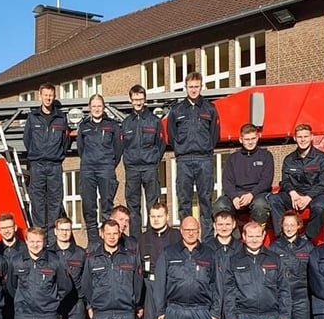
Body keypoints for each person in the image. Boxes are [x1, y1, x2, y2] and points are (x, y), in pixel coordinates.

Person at [166, 72, 220, 237]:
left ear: (201, 86)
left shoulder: (210, 108)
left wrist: (206, 148)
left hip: (204, 159)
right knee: (184, 200)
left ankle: (208, 238)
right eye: (191, 87)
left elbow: (214, 134)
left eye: (197, 86)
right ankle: (187, 236)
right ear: (186, 87)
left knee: (206, 200)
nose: (194, 90)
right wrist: (181, 149)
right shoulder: (176, 110)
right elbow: (171, 134)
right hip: (184, 160)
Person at [23, 83, 69, 243]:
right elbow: (27, 140)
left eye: (51, 95)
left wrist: (56, 155)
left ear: (54, 96)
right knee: (38, 203)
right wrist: (38, 155)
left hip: (55, 166)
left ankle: (52, 243)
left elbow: (65, 142)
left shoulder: (61, 118)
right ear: (40, 96)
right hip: (37, 166)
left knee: (55, 203)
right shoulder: (32, 117)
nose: (48, 98)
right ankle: (39, 241)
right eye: (45, 95)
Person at [268, 123, 324, 241]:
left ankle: (307, 238)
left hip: (315, 195)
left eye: (305, 136)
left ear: (311, 137)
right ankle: (282, 238)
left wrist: (309, 197)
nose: (303, 140)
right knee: (274, 199)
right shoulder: (289, 159)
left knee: (319, 207)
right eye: (300, 137)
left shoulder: (321, 158)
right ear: (295, 138)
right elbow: (285, 181)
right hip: (295, 195)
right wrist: (292, 193)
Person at [120, 84, 165, 236]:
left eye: (140, 99)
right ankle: (135, 241)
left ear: (145, 100)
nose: (138, 102)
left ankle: (152, 237)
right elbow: (122, 146)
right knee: (133, 207)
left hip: (150, 168)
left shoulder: (154, 121)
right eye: (135, 99)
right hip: (132, 169)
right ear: (130, 100)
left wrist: (153, 160)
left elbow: (161, 143)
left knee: (153, 206)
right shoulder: (126, 123)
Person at [77, 94, 121, 247]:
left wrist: (109, 164)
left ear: (103, 107)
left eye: (99, 106)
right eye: (94, 106)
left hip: (106, 167)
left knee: (107, 205)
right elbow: (80, 149)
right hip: (88, 168)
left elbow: (118, 149)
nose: (96, 109)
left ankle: (107, 241)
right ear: (90, 108)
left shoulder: (112, 125)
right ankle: (94, 243)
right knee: (89, 206)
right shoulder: (83, 126)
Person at [214, 123, 273, 225]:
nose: (250, 142)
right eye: (247, 139)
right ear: (241, 140)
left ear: (258, 137)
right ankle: (234, 238)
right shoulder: (232, 158)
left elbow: (266, 181)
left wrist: (252, 194)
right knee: (220, 205)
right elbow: (227, 182)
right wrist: (233, 197)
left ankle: (256, 235)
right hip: (237, 194)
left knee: (260, 205)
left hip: (258, 194)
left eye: (253, 138)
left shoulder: (266, 156)